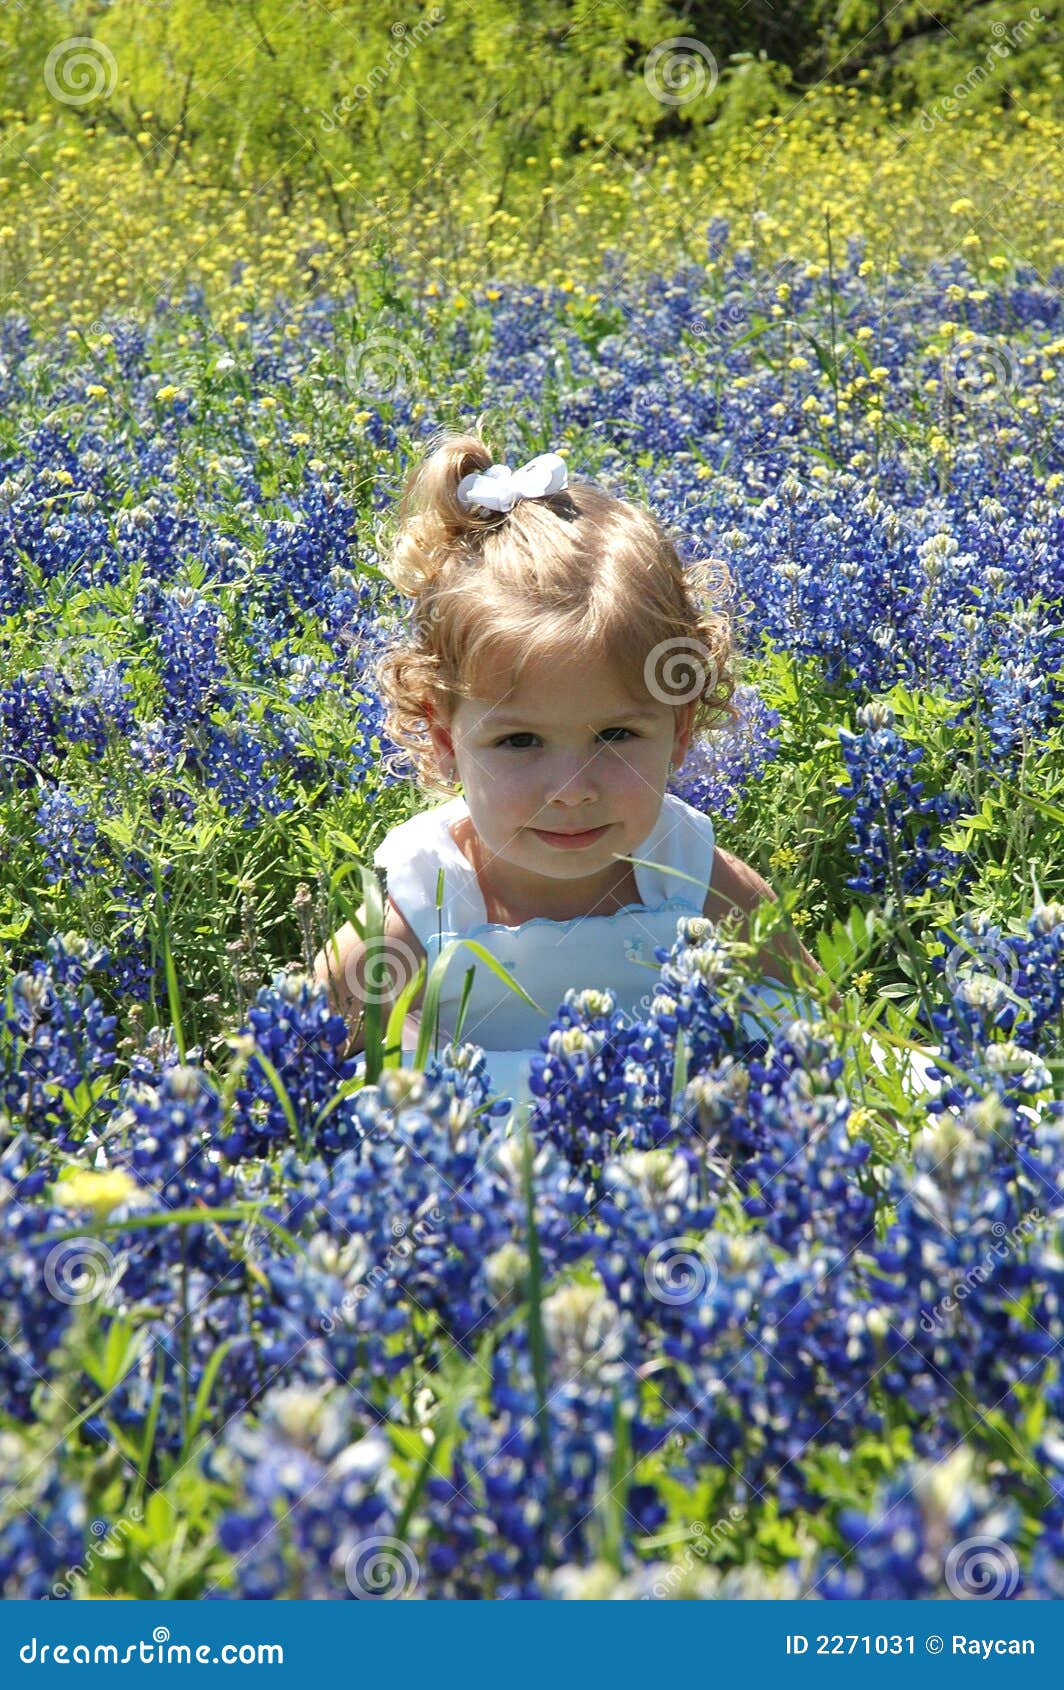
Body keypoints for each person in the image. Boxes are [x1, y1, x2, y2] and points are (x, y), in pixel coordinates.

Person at [314, 428, 839, 1109]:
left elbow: (828, 1044)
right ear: (444, 740)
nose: (571, 790)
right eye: (520, 742)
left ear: (679, 731)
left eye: (616, 734)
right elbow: (282, 1066)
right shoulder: (426, 905)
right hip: (475, 1193)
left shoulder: (697, 880)